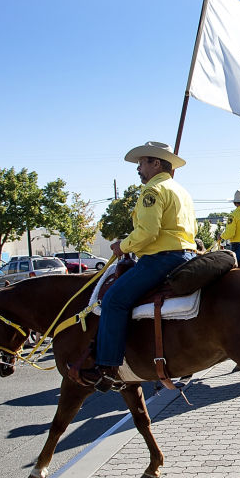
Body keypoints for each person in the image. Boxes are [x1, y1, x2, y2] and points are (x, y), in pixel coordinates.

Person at [80, 141, 197, 391]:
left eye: (141, 163)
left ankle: (107, 366)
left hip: (161, 259)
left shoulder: (152, 190)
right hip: (186, 255)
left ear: (156, 163)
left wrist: (122, 246)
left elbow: (147, 232)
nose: (138, 168)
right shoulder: (180, 190)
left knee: (113, 300)